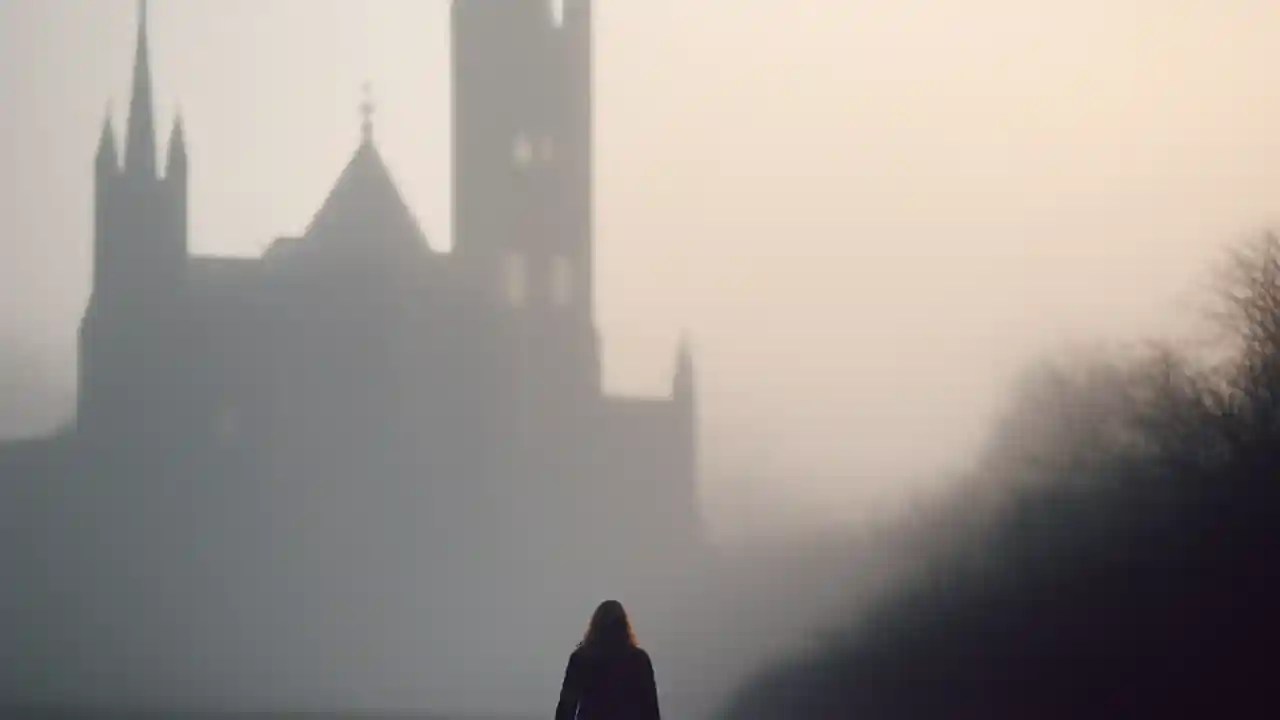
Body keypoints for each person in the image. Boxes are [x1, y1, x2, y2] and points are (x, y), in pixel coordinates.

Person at [555, 600, 661, 720]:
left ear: (595, 625)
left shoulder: (581, 658)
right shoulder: (639, 659)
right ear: (624, 625)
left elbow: (566, 707)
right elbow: (651, 709)